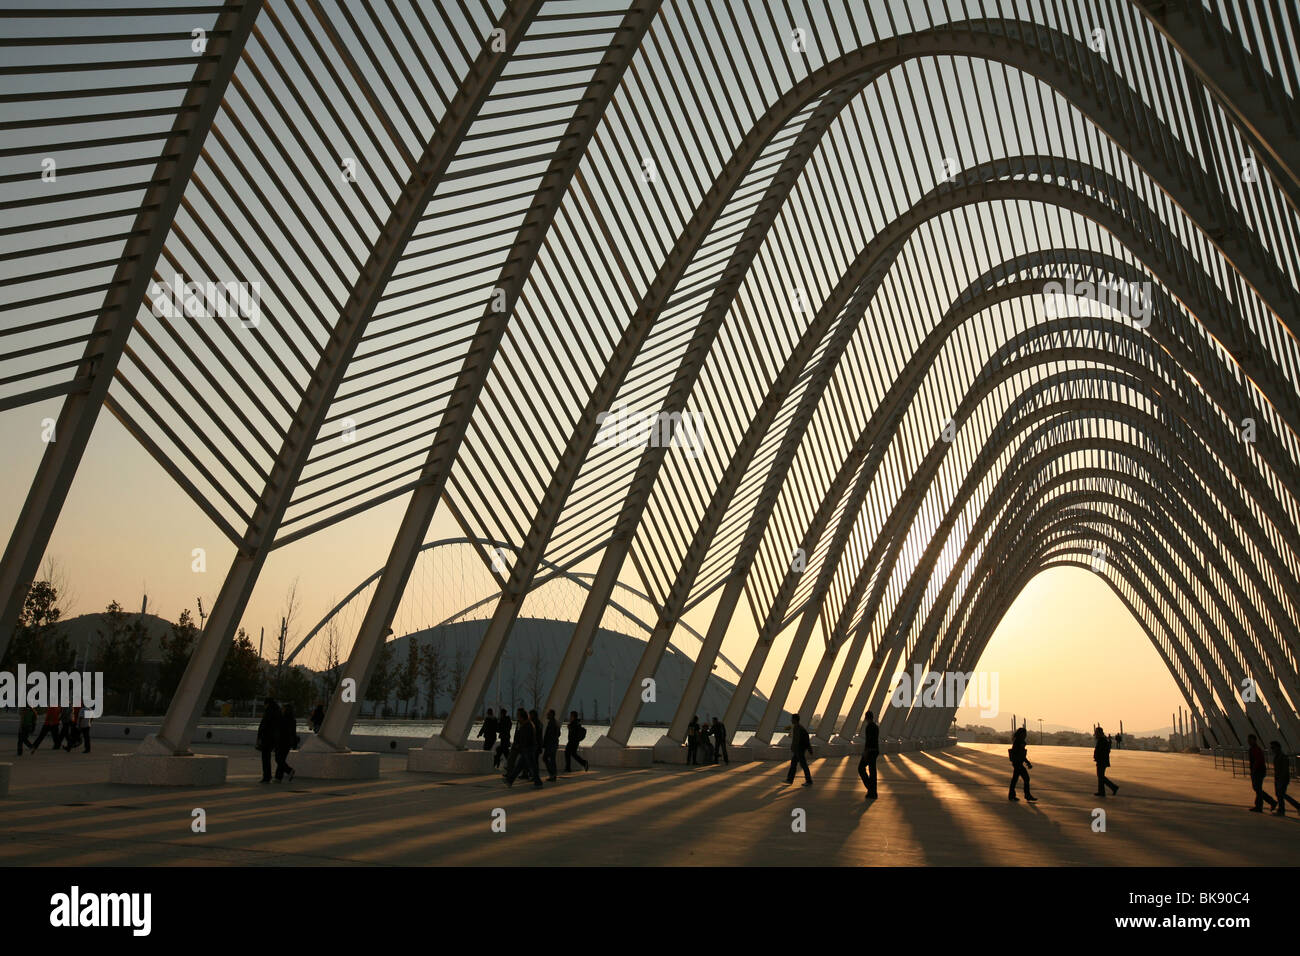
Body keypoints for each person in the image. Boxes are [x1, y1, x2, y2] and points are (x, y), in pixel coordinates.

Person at [505, 707, 542, 789]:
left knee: (532, 766)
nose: (517, 718)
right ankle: (509, 781)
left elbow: (526, 739)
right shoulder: (527, 724)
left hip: (528, 749)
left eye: (518, 716)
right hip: (527, 749)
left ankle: (538, 783)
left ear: (522, 717)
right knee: (520, 766)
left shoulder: (527, 725)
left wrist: (519, 746)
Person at [1270, 740, 1300, 815]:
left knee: (1281, 794)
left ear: (1278, 747)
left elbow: (1284, 770)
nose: (1272, 749)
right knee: (1280, 794)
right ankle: (1282, 809)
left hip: (1282, 779)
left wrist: (1281, 779)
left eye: (1273, 747)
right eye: (1271, 748)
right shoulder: (1277, 756)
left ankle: (1283, 809)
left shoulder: (1283, 757)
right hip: (1278, 778)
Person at [1248, 734, 1277, 812]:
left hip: (1258, 771)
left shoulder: (1256, 749)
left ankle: (1264, 804)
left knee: (1258, 789)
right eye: (1248, 740)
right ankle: (1264, 804)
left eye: (1250, 740)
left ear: (1254, 740)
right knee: (1257, 789)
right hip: (1257, 771)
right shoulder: (1253, 749)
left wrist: (1254, 770)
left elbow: (1258, 760)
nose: (1249, 741)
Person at [1008, 726, 1035, 801]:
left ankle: (1011, 795)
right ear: (1021, 734)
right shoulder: (1019, 742)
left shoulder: (1018, 741)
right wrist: (1027, 762)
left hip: (1017, 763)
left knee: (1015, 779)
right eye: (1024, 734)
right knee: (1026, 778)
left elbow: (1021, 754)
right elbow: (1020, 754)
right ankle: (1027, 795)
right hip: (1018, 764)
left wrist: (1027, 762)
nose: (1025, 735)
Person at [256, 698, 280, 784]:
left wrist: (260, 737)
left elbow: (264, 726)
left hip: (267, 738)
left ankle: (266, 776)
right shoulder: (277, 711)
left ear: (267, 704)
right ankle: (268, 776)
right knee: (267, 757)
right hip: (273, 739)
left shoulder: (269, 712)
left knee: (265, 758)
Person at [785, 714, 813, 787]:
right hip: (797, 750)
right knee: (793, 764)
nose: (791, 720)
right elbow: (795, 740)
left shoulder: (800, 729)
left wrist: (809, 749)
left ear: (795, 719)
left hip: (800, 750)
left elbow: (806, 740)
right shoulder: (796, 728)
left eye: (792, 719)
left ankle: (809, 781)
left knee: (803, 765)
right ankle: (789, 779)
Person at [859, 710, 880, 799]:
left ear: (866, 718)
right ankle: (873, 792)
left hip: (870, 751)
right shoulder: (876, 727)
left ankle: (870, 789)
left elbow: (868, 741)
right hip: (875, 751)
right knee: (872, 771)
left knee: (860, 768)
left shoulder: (869, 727)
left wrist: (865, 752)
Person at [275, 703, 298, 783]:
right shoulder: (292, 720)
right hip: (287, 743)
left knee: (278, 759)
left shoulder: (282, 719)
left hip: (281, 742)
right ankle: (278, 778)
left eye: (283, 708)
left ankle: (289, 771)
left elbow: (279, 731)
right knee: (281, 759)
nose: (282, 710)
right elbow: (293, 733)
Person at [1094, 726, 1118, 797]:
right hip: (1101, 760)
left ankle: (1113, 787)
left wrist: (1099, 757)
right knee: (1100, 776)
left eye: (1096, 732)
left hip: (1102, 761)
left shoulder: (1102, 740)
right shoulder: (1102, 739)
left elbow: (1104, 751)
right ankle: (1102, 791)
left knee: (1101, 776)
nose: (1095, 733)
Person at [542, 709, 561, 781]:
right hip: (553, 744)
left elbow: (549, 735)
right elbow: (558, 734)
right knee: (551, 759)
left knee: (546, 758)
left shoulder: (551, 723)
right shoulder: (555, 723)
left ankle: (552, 774)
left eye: (548, 714)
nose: (547, 715)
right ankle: (553, 774)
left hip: (550, 745)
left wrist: (545, 743)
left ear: (551, 715)